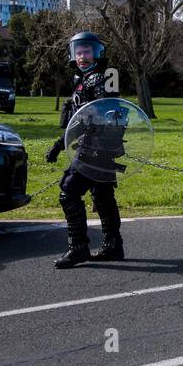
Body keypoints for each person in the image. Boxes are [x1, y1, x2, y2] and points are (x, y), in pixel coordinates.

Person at [46, 32, 124, 269]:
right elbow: (80, 120)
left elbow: (101, 116)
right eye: (78, 51)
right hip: (101, 148)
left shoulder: (99, 79)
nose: (82, 56)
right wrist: (61, 144)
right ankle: (113, 245)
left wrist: (61, 144)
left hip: (96, 148)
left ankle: (78, 247)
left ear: (97, 53)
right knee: (102, 197)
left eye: (87, 51)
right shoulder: (83, 80)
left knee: (68, 192)